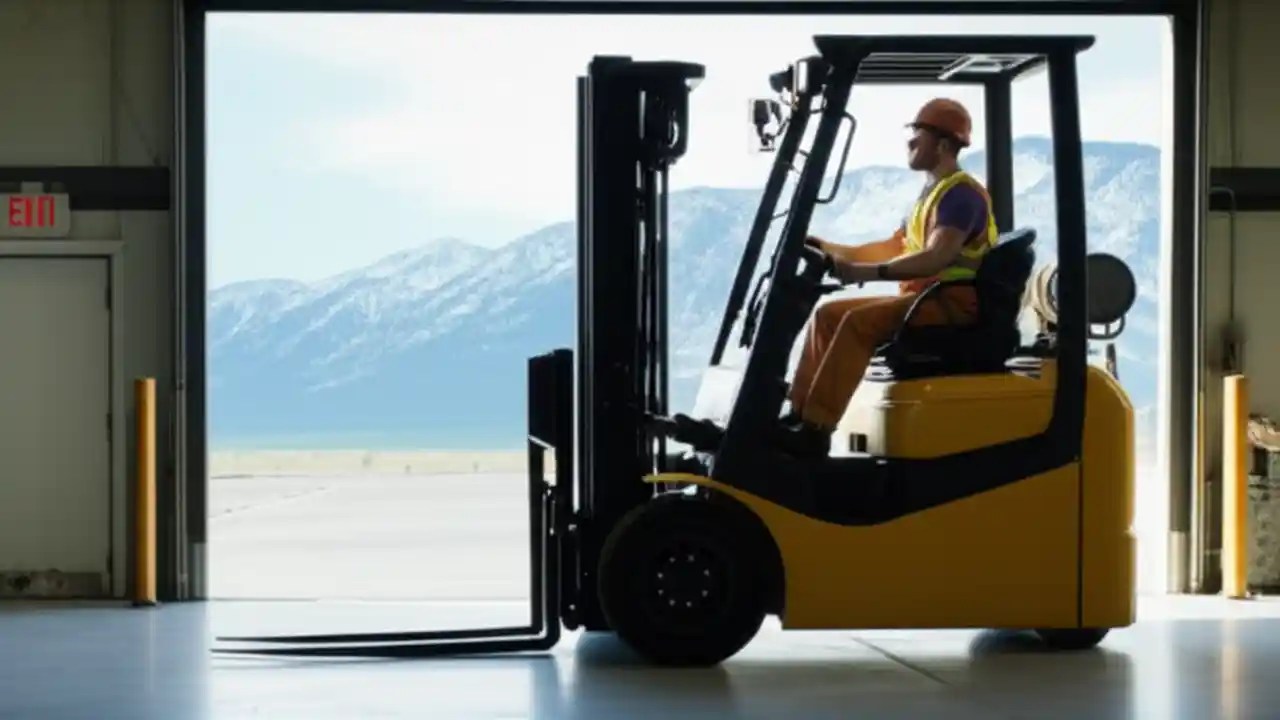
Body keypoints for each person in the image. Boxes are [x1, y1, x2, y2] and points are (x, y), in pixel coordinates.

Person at [777, 97, 999, 456]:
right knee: (827, 315)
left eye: (918, 133)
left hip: (952, 302)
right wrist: (828, 249)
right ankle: (797, 416)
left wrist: (863, 273)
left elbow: (934, 258)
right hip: (924, 299)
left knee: (857, 323)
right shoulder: (933, 194)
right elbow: (893, 248)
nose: (910, 140)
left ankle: (815, 431)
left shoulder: (961, 196)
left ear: (943, 144)